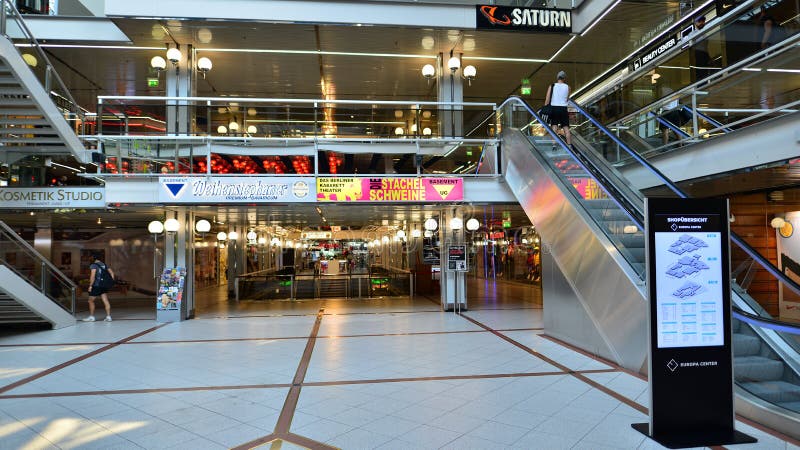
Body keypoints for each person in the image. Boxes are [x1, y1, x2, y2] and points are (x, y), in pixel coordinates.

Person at [83, 252, 114, 322]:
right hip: (104, 286)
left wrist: (90, 285)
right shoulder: (104, 264)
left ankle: (91, 317)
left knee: (90, 301)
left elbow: (92, 276)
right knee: (105, 300)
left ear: (94, 257)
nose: (90, 258)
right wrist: (109, 282)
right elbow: (112, 273)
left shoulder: (93, 265)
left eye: (91, 257)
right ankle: (108, 317)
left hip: (96, 285)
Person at [544, 71, 572, 147]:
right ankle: (569, 145)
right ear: (564, 78)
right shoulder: (568, 87)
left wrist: (545, 108)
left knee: (554, 126)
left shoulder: (552, 86)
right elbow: (567, 99)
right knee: (566, 127)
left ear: (557, 78)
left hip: (554, 108)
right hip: (563, 109)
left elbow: (547, 99)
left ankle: (554, 145)